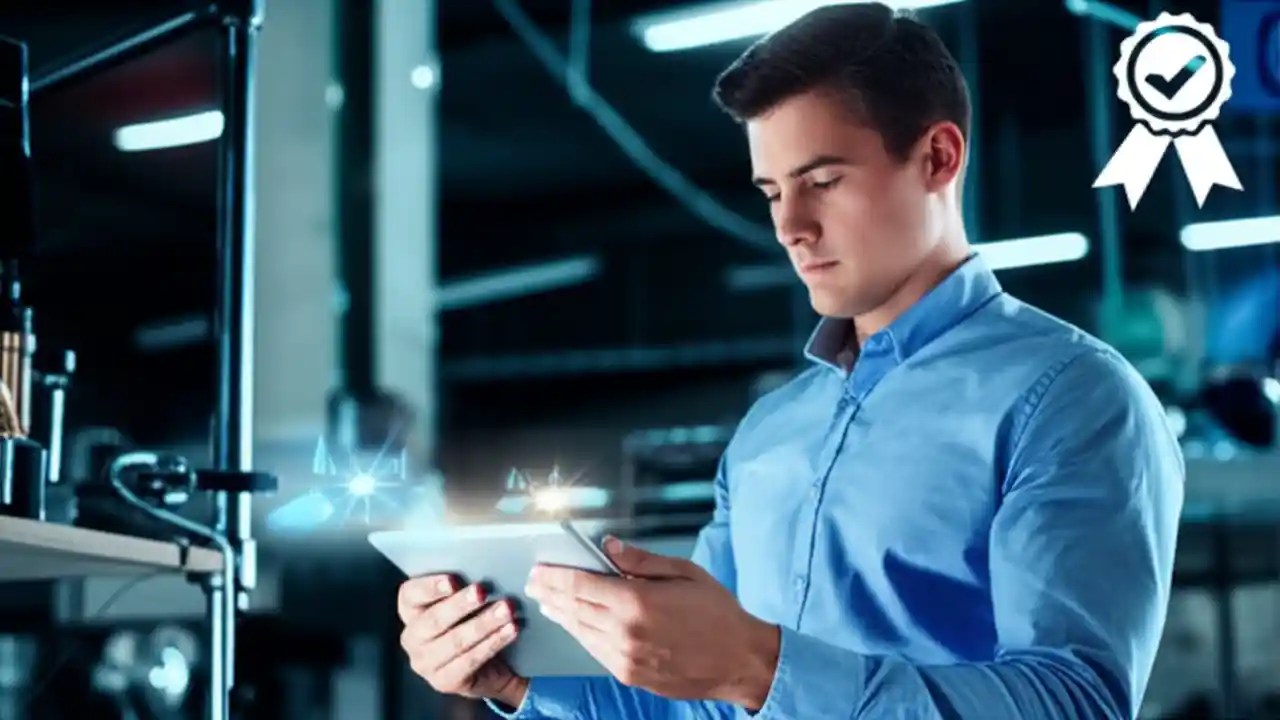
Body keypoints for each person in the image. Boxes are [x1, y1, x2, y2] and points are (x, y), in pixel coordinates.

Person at [396, 4, 1185, 718]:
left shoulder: (1069, 396)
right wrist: (521, 677)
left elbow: (1075, 703)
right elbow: (695, 706)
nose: (791, 226)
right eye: (772, 191)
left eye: (823, 181)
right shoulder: (771, 434)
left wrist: (759, 664)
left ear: (939, 157)